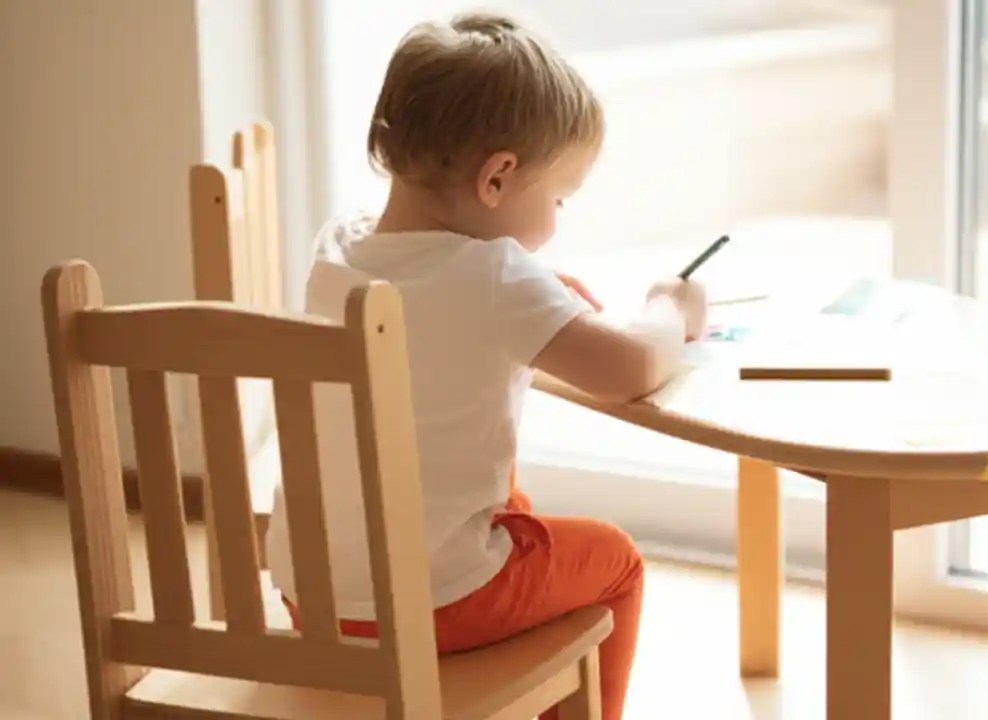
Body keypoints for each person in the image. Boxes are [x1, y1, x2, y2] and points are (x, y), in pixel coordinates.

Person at [263, 11, 707, 720]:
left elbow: (441, 305)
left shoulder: (337, 248)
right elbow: (627, 368)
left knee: (510, 503)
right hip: (433, 603)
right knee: (616, 561)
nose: (557, 218)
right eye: (558, 198)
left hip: (309, 597)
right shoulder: (495, 276)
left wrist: (540, 295)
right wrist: (670, 310)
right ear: (497, 178)